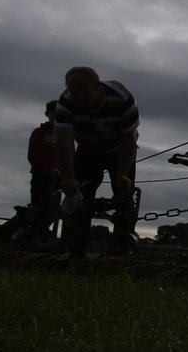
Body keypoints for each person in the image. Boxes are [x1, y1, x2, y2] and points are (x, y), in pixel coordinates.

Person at [55, 66, 140, 257]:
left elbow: (129, 140)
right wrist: (68, 178)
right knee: (78, 197)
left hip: (119, 151)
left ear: (96, 85)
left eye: (84, 93)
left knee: (123, 196)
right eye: (74, 93)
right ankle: (74, 248)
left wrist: (122, 174)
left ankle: (120, 249)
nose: (79, 99)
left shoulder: (121, 98)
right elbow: (62, 140)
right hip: (88, 150)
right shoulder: (66, 103)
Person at [27, 100, 63, 234]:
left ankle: (43, 236)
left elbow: (72, 155)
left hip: (59, 180)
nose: (57, 116)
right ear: (48, 114)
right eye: (54, 113)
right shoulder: (39, 132)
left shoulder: (66, 135)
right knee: (38, 209)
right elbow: (32, 157)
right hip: (40, 178)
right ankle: (35, 236)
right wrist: (50, 170)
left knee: (53, 211)